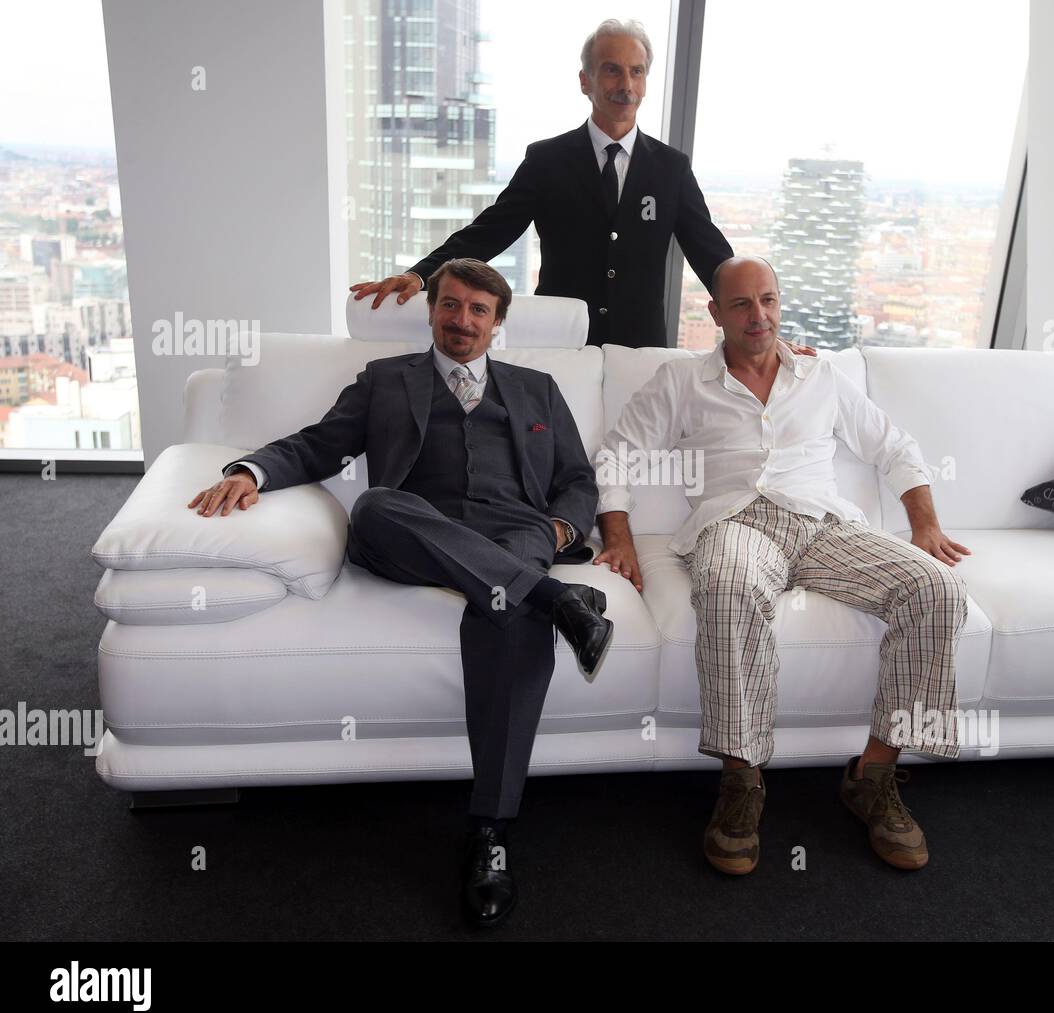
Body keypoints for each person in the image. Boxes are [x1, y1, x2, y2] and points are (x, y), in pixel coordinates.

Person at [187, 258, 612, 928]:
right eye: (450, 305)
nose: (462, 320)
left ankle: (490, 833)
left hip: (516, 536)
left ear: (497, 323)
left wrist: (560, 527)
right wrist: (250, 470)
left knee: (508, 614)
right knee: (376, 505)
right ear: (431, 310)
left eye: (478, 309)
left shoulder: (539, 388)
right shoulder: (387, 380)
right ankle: (557, 601)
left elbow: (578, 479)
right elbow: (317, 446)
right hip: (413, 530)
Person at [592, 256, 973, 876]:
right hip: (735, 525)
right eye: (741, 304)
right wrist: (620, 535)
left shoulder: (819, 377)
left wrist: (924, 523)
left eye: (767, 300)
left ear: (780, 303)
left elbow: (894, 447)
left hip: (824, 526)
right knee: (726, 587)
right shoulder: (681, 380)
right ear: (715, 314)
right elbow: (617, 456)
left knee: (934, 587)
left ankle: (874, 776)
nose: (758, 315)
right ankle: (742, 780)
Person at [348, 19, 731, 349]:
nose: (626, 85)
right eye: (612, 70)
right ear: (586, 80)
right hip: (560, 343)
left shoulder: (672, 168)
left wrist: (752, 314)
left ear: (646, 82)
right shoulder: (547, 160)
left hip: (640, 347)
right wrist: (419, 275)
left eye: (637, 71)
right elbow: (488, 232)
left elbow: (709, 251)